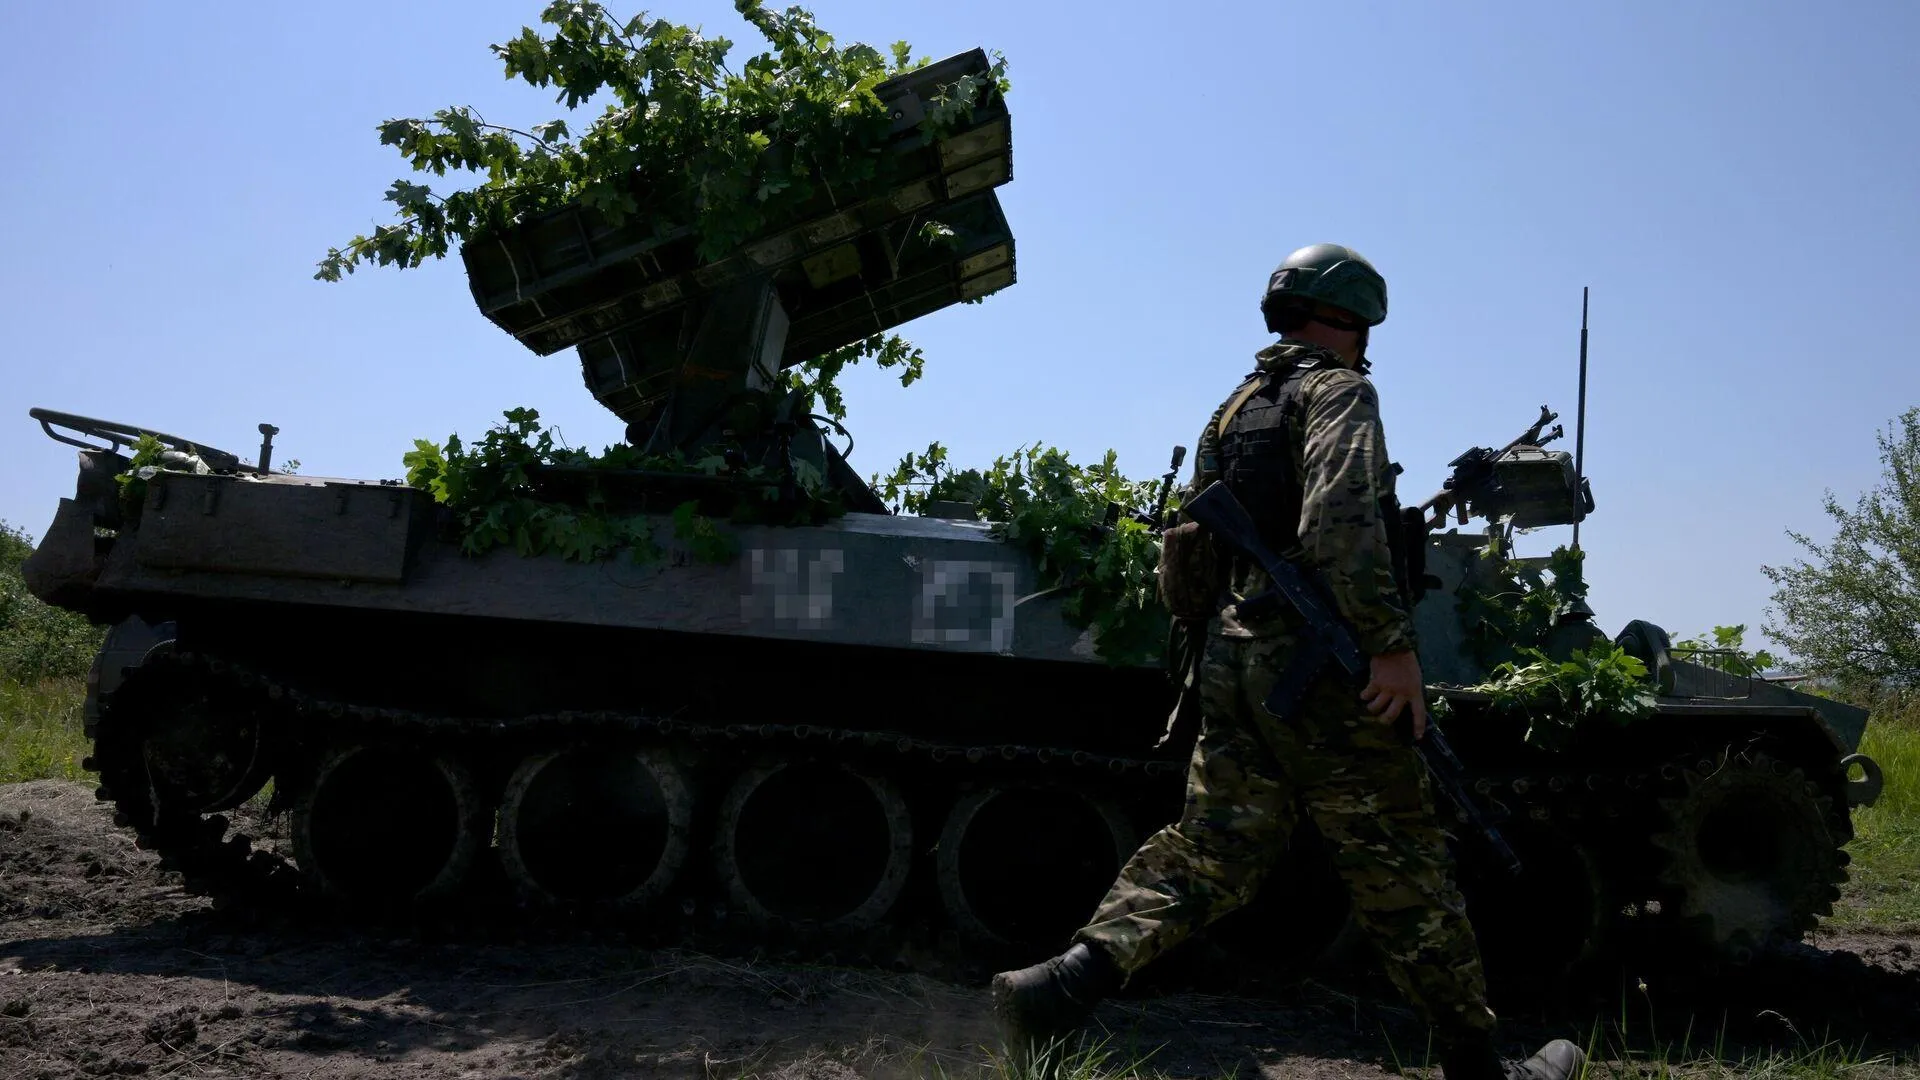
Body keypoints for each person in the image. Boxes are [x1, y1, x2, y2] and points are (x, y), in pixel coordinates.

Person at [989, 244, 1586, 1080]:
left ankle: (1059, 985)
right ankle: (1480, 1068)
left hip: (1233, 660)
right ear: (1353, 319)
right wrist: (1390, 649)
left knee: (1213, 849)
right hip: (1322, 664)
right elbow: (1339, 525)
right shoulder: (1341, 391)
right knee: (1400, 858)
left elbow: (1195, 553)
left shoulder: (1236, 408)